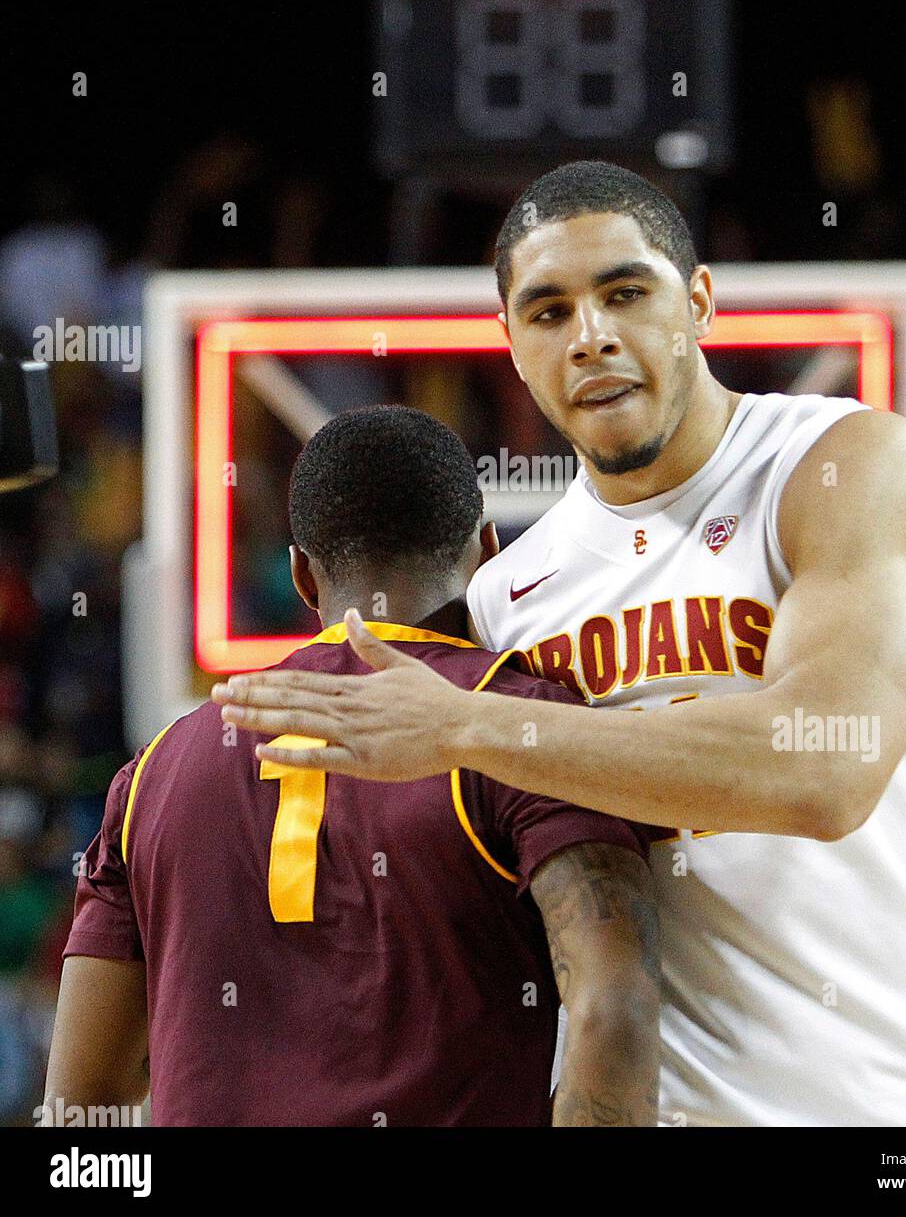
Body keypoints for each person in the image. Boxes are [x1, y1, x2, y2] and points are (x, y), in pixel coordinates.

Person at [215, 161, 906, 1127]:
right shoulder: (508, 594)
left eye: (626, 293)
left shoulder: (848, 466)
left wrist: (472, 727)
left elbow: (824, 770)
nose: (590, 336)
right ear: (510, 345)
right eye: (548, 312)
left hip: (890, 1115)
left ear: (701, 302)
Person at [45, 405, 660, 1127]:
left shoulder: (151, 772)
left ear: (303, 575)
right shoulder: (519, 727)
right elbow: (614, 1011)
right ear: (489, 550)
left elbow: (81, 1101)